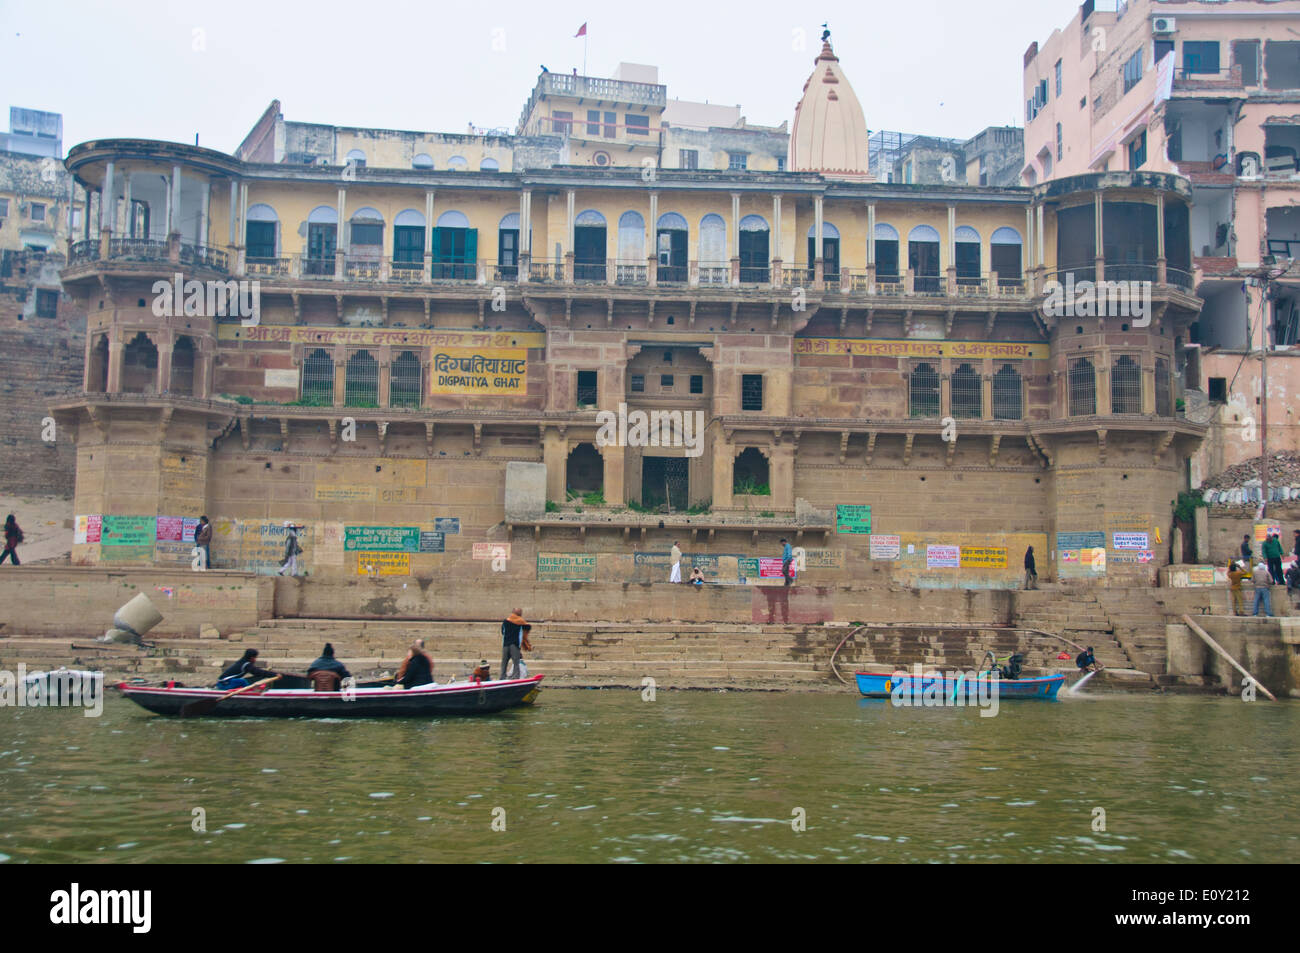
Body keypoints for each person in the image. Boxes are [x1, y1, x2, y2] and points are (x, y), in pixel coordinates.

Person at [500, 608, 530, 680]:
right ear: (519, 614)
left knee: (504, 662)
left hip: (505, 644)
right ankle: (516, 677)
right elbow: (528, 627)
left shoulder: (505, 621)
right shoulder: (521, 622)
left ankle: (502, 677)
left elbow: (502, 632)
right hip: (515, 645)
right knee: (516, 662)